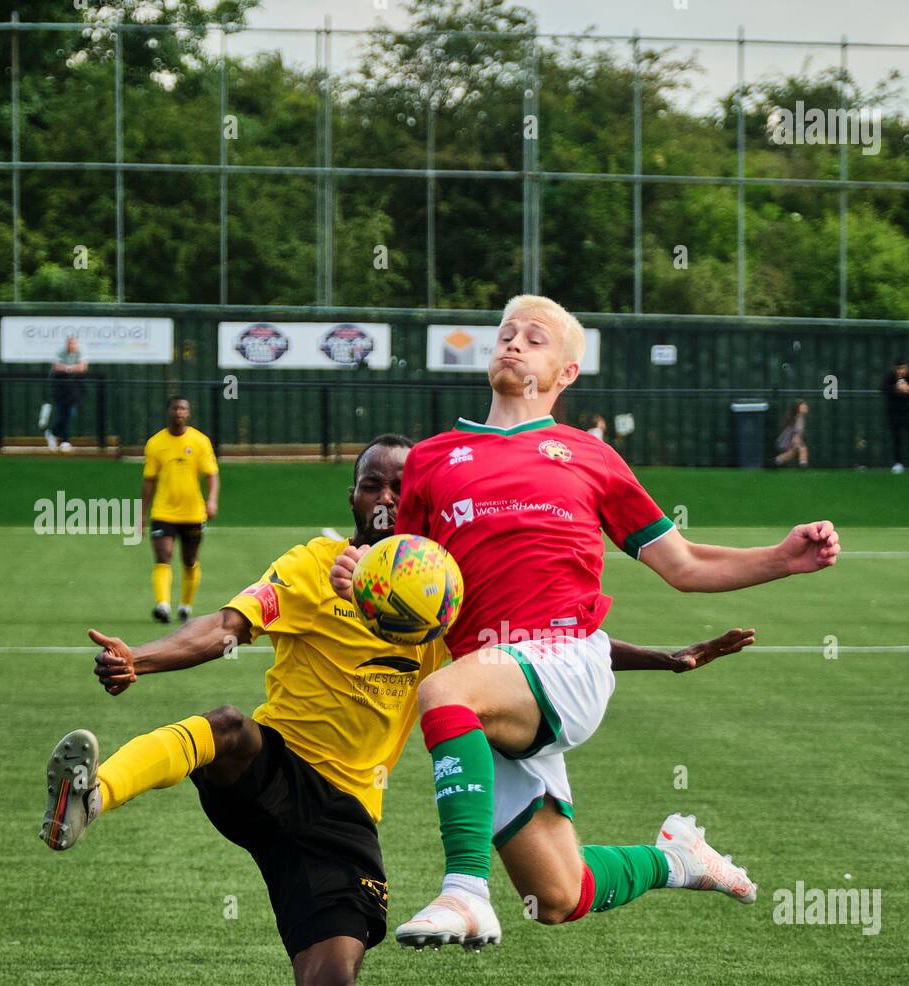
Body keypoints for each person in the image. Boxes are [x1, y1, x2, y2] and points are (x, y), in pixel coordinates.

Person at [38, 433, 754, 986]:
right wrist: (145, 661)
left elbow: (535, 649)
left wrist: (670, 657)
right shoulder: (311, 566)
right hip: (277, 770)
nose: (382, 496)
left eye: (398, 485)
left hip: (344, 821)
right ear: (352, 498)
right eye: (369, 483)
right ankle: (95, 795)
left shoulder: (441, 598)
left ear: (419, 504)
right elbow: (225, 628)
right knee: (230, 727)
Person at [332, 294, 840, 950]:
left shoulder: (589, 456)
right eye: (506, 334)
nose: (513, 343)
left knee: (444, 691)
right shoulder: (432, 459)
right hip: (492, 691)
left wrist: (782, 559)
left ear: (566, 373)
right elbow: (413, 617)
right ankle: (678, 858)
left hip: (565, 661)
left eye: (535, 339)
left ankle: (464, 893)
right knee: (556, 895)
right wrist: (366, 588)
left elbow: (682, 564)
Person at [142, 396, 219, 623]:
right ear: (168, 411)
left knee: (189, 560)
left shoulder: (200, 441)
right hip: (163, 511)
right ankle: (163, 605)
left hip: (193, 513)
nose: (179, 412)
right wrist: (141, 514)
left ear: (189, 413)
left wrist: (212, 500)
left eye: (183, 408)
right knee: (163, 556)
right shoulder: (155, 443)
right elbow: (148, 481)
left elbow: (212, 474)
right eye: (175, 408)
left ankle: (185, 605)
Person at [45, 335, 87, 452]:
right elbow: (56, 367)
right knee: (63, 414)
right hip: (60, 389)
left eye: (73, 343)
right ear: (66, 344)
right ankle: (65, 441)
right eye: (70, 343)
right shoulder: (60, 353)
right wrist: (71, 368)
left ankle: (52, 433)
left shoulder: (79, 353)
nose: (71, 346)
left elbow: (83, 367)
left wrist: (68, 368)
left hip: (73, 390)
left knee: (68, 415)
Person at [881, 360, 909, 473]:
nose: (901, 371)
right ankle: (898, 463)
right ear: (895, 369)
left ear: (906, 368)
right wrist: (896, 388)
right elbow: (883, 388)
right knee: (896, 438)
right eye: (899, 369)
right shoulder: (890, 377)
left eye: (903, 368)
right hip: (893, 413)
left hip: (908, 413)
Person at [773, 400, 809, 467]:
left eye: (805, 406)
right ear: (798, 409)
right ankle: (803, 464)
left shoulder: (798, 417)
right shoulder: (799, 418)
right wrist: (796, 440)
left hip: (788, 438)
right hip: (790, 438)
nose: (806, 407)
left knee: (793, 453)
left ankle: (778, 460)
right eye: (803, 406)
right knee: (802, 449)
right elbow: (797, 432)